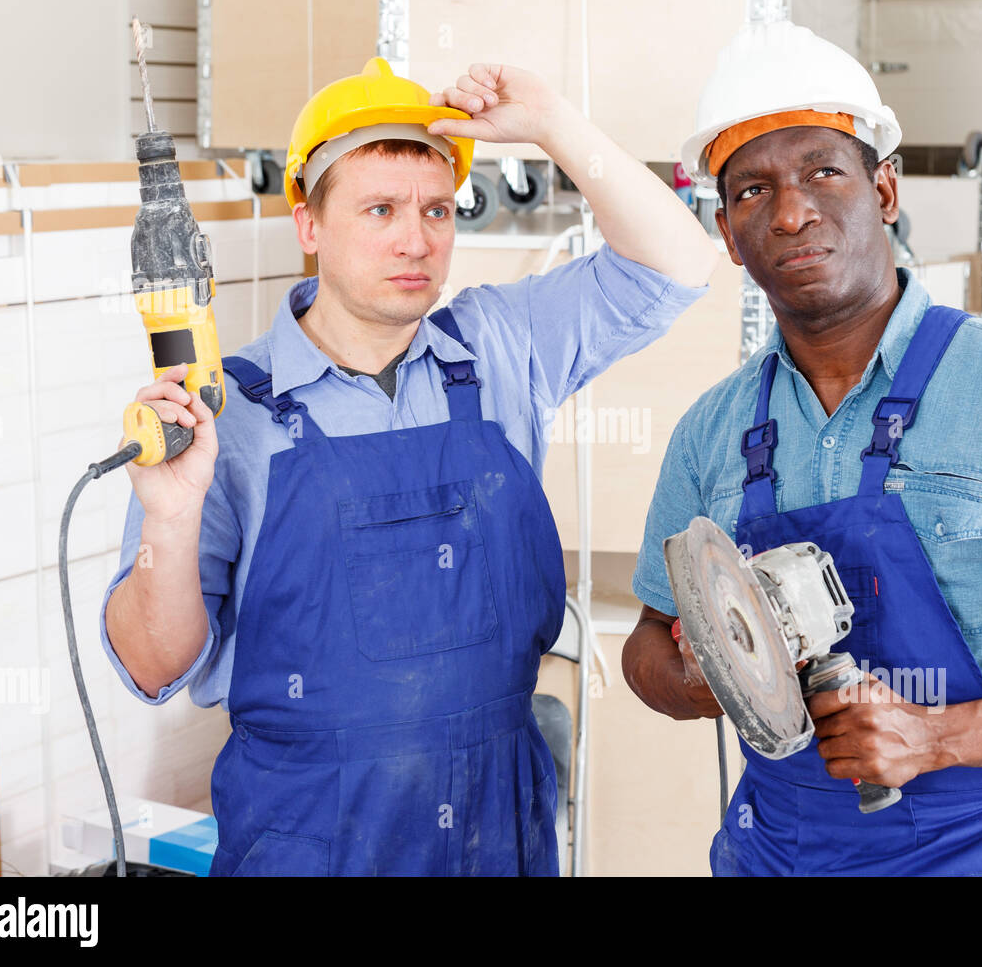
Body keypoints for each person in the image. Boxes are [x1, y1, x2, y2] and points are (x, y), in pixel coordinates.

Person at [100, 58, 716, 876]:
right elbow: (151, 664)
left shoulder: (500, 347)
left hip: (500, 833)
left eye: (436, 209)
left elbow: (679, 263)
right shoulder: (223, 412)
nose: (415, 239)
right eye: (380, 208)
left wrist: (554, 124)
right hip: (312, 841)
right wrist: (171, 520)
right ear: (308, 223)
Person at [622, 22, 982, 876]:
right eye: (751, 191)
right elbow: (644, 640)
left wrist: (934, 735)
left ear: (885, 189)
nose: (790, 211)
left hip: (966, 851)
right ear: (729, 235)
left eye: (823, 169)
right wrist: (711, 672)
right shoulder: (711, 431)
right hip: (771, 848)